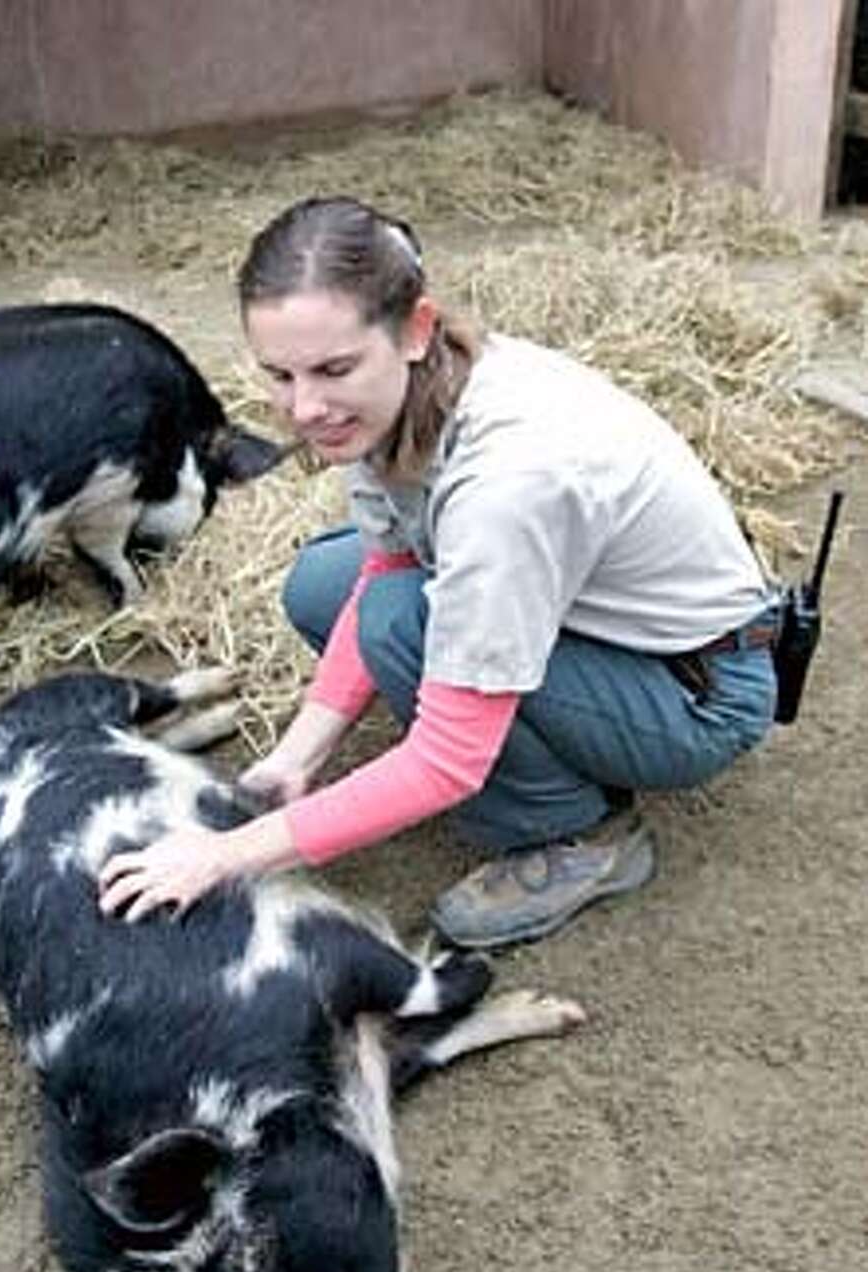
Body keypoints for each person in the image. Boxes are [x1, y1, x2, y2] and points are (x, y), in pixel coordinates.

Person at [99, 195, 779, 948]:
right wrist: (296, 757)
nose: (305, 408)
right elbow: (386, 562)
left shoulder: (507, 482)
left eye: (333, 368)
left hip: (696, 693)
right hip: (611, 631)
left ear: (415, 329)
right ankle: (521, 722)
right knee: (325, 583)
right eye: (279, 375)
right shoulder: (398, 398)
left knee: (401, 621)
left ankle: (580, 835)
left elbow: (449, 761)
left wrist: (223, 856)